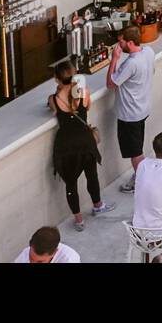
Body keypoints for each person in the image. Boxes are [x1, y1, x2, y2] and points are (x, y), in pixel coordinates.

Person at [48, 60, 113, 231]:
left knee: (71, 183)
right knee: (92, 175)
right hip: (85, 142)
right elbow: (88, 107)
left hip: (66, 145)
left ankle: (78, 220)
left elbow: (53, 110)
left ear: (57, 79)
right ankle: (97, 205)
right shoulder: (83, 93)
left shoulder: (54, 99)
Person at [107, 26, 154, 193]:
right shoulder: (148, 52)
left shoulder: (131, 63)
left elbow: (111, 84)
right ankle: (140, 176)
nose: (119, 46)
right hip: (142, 108)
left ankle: (143, 182)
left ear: (130, 42)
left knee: (135, 153)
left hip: (130, 114)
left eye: (121, 42)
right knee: (138, 147)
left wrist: (113, 59)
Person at [14, 226, 80, 263]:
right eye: (31, 258)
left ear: (54, 253)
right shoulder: (26, 253)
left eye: (39, 262)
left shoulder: (70, 259)